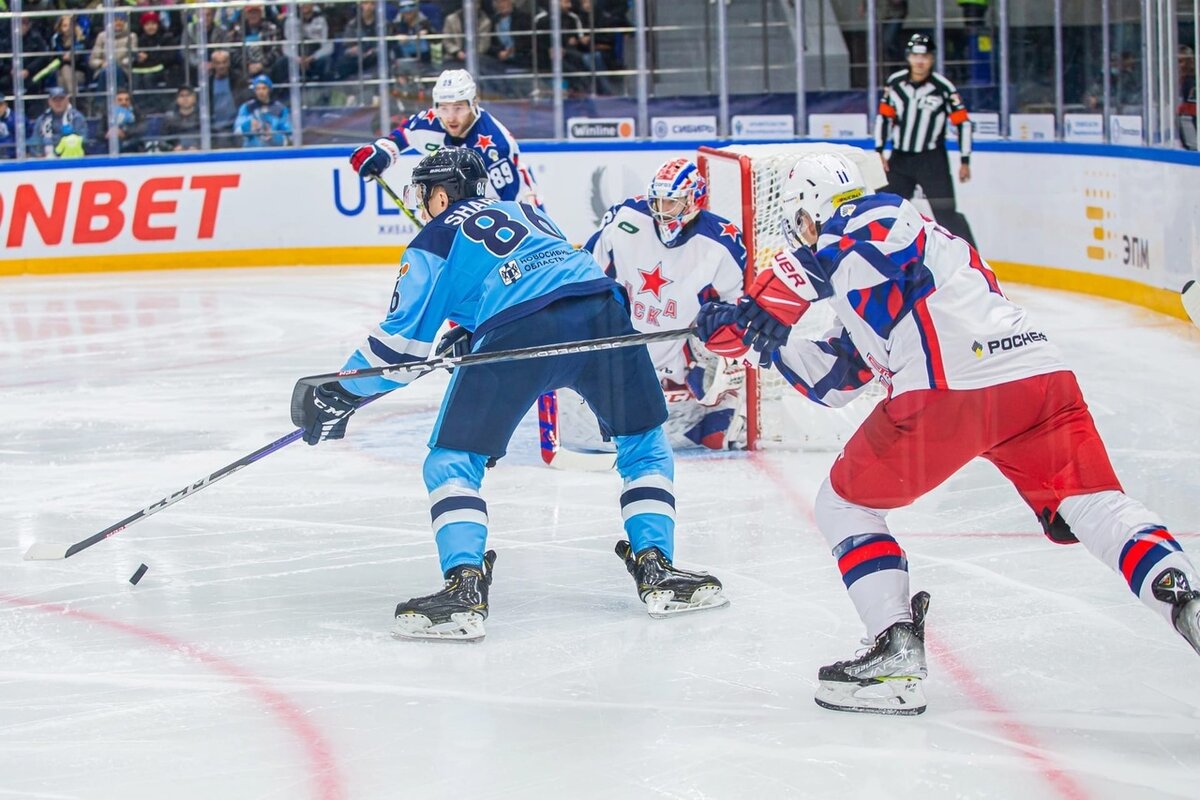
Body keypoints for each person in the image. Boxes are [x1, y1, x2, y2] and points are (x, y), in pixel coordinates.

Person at [694, 152, 1200, 716]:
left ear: (808, 214)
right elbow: (838, 379)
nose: (803, 237)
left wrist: (760, 304)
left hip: (951, 388)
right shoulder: (872, 279)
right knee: (1094, 503)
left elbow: (856, 243)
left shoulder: (881, 215)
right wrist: (759, 340)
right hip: (1038, 381)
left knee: (845, 506)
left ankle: (893, 647)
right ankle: (1182, 593)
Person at [297, 146, 729, 641]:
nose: (420, 204)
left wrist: (341, 390)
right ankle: (659, 570)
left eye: (423, 194)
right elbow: (542, 272)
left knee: (452, 461)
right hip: (602, 309)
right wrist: (475, 323)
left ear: (440, 195)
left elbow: (398, 349)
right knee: (644, 441)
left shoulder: (433, 236)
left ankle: (463, 587)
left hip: (519, 331)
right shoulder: (527, 211)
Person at [572, 157, 747, 451]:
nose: (662, 211)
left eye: (671, 203)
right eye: (657, 201)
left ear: (694, 201)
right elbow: (587, 267)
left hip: (680, 346)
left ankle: (706, 395)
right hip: (625, 336)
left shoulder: (721, 242)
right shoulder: (626, 217)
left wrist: (723, 348)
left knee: (713, 411)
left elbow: (736, 304)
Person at [349, 68, 540, 204]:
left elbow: (511, 202)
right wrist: (381, 153)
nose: (450, 117)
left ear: (474, 103)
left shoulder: (495, 145)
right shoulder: (430, 121)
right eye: (444, 108)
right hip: (464, 200)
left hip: (519, 201)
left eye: (458, 107)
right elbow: (400, 137)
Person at [874, 33, 976, 247]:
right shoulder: (895, 83)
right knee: (882, 209)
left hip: (932, 160)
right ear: (908, 57)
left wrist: (965, 160)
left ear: (932, 59)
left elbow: (963, 123)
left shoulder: (943, 88)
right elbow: (884, 117)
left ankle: (973, 263)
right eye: (915, 56)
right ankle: (874, 255)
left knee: (946, 214)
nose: (920, 61)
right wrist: (879, 151)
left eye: (925, 56)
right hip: (900, 160)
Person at [235, 74, 291, 147]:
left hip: (274, 152)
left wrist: (275, 137)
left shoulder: (280, 109)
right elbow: (237, 131)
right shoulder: (247, 107)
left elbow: (289, 134)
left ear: (269, 89)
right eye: (258, 89)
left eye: (264, 88)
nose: (261, 92)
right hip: (251, 153)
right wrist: (247, 126)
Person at [31, 86, 88, 157]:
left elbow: (83, 140)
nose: (58, 103)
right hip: (47, 160)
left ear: (67, 100)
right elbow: (35, 141)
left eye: (61, 99)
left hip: (72, 159)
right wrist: (39, 155)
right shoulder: (42, 119)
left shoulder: (76, 117)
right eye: (55, 100)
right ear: (49, 102)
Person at [163, 85, 201, 150]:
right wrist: (173, 149)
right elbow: (162, 141)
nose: (185, 99)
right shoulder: (170, 120)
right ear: (177, 99)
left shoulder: (202, 118)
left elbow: (213, 139)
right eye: (182, 96)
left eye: (188, 95)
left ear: (194, 98)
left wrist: (199, 147)